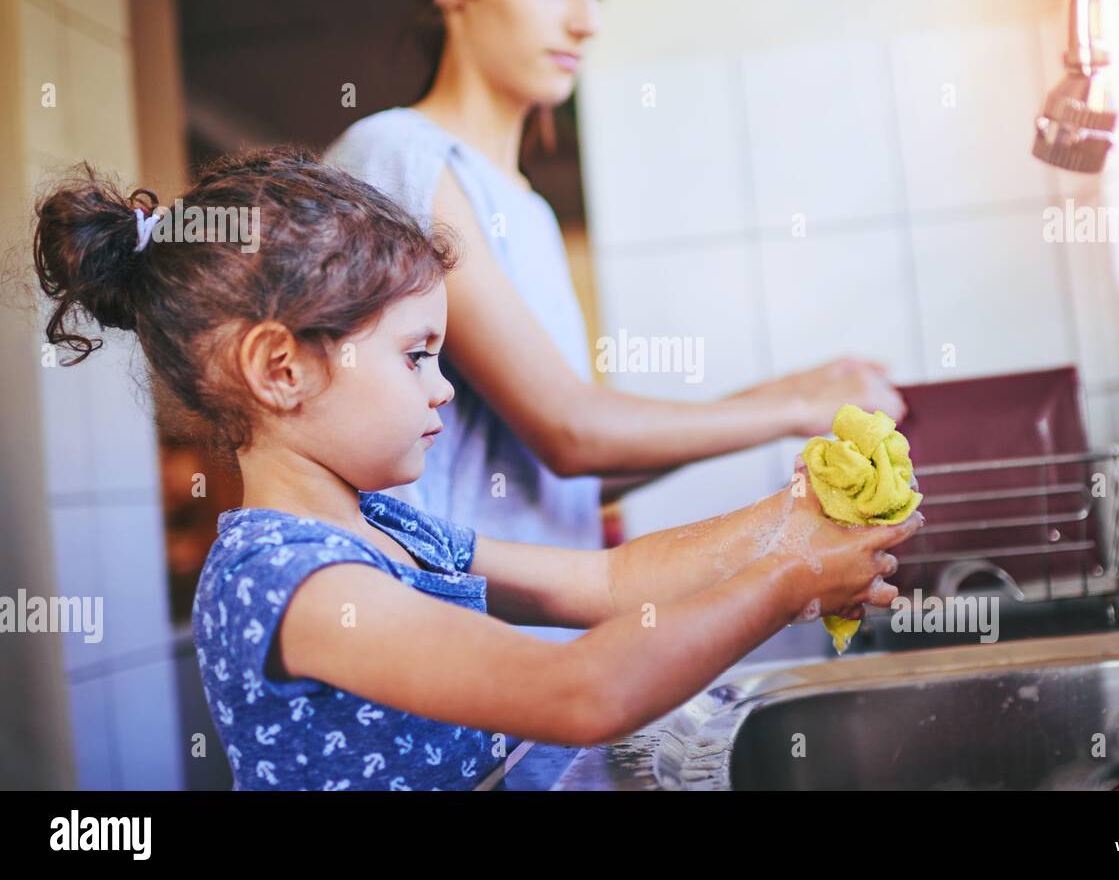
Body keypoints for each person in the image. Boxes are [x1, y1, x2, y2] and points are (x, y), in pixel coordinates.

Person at [30, 147, 921, 789]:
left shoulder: (384, 524)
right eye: (417, 355)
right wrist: (785, 579)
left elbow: (606, 581)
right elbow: (579, 688)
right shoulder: (291, 585)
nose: (445, 391)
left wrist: (793, 515)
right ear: (281, 368)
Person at [324, 0, 906, 554]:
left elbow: (570, 471)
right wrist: (796, 404)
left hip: (551, 642)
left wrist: (790, 391)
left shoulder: (530, 211)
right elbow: (571, 433)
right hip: (464, 641)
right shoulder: (397, 155)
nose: (587, 21)